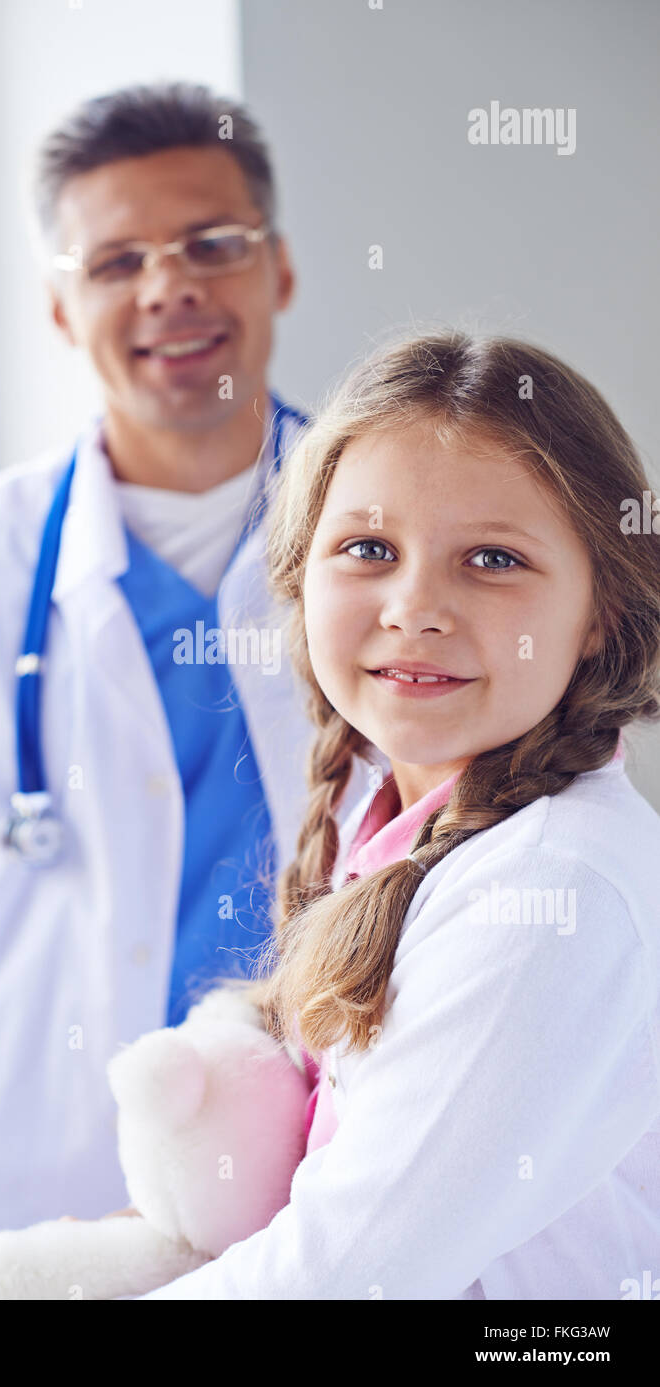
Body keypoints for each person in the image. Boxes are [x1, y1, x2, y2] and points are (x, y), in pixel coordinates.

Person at [0, 82, 366, 1300]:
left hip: (318, 1220)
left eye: (213, 244)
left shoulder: (388, 549)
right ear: (61, 305)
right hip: (10, 1224)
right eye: (117, 260)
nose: (170, 288)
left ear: (281, 270)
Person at [138, 330, 660, 1300]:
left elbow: (343, 1274)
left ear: (600, 611)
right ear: (301, 573)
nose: (415, 607)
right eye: (369, 548)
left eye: (493, 558)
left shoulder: (554, 893)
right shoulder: (384, 805)